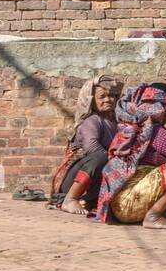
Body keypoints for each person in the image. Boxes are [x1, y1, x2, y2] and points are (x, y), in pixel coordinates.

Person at [95, 82, 166, 230]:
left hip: (123, 205)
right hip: (128, 203)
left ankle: (164, 213)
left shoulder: (135, 127)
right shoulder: (154, 131)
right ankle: (153, 216)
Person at [51, 75, 122, 216]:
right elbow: (92, 148)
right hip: (73, 181)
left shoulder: (115, 122)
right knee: (101, 156)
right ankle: (70, 199)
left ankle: (86, 200)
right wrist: (117, 164)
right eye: (102, 96)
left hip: (96, 178)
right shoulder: (91, 121)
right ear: (91, 100)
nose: (108, 99)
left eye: (112, 95)